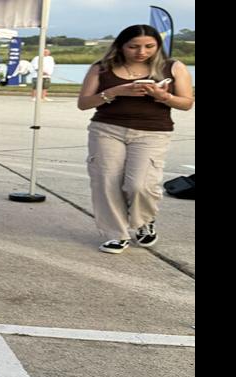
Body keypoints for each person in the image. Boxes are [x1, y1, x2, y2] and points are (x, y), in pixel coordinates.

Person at [77, 25, 194, 254]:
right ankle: (116, 234)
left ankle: (143, 222)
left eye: (149, 46)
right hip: (107, 130)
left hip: (152, 132)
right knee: (106, 182)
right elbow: (83, 103)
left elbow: (187, 103)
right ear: (120, 46)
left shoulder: (172, 67)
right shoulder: (102, 68)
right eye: (134, 47)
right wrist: (114, 92)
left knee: (140, 184)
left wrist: (164, 96)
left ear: (158, 46)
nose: (142, 52)